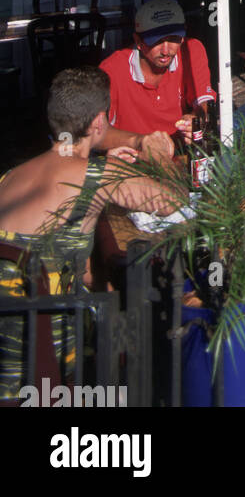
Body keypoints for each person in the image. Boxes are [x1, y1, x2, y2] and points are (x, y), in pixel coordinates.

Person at [0, 67, 174, 399]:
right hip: (49, 367)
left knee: (102, 281)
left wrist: (103, 165)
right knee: (138, 323)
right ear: (98, 122)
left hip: (7, 353)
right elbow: (172, 201)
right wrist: (158, 157)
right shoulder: (97, 177)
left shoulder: (9, 177)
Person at [98, 0, 215, 151]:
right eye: (157, 41)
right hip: (133, 163)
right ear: (139, 41)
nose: (166, 50)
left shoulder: (191, 50)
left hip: (180, 156)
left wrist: (195, 119)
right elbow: (95, 135)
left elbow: (204, 104)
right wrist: (142, 142)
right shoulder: (112, 70)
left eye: (174, 39)